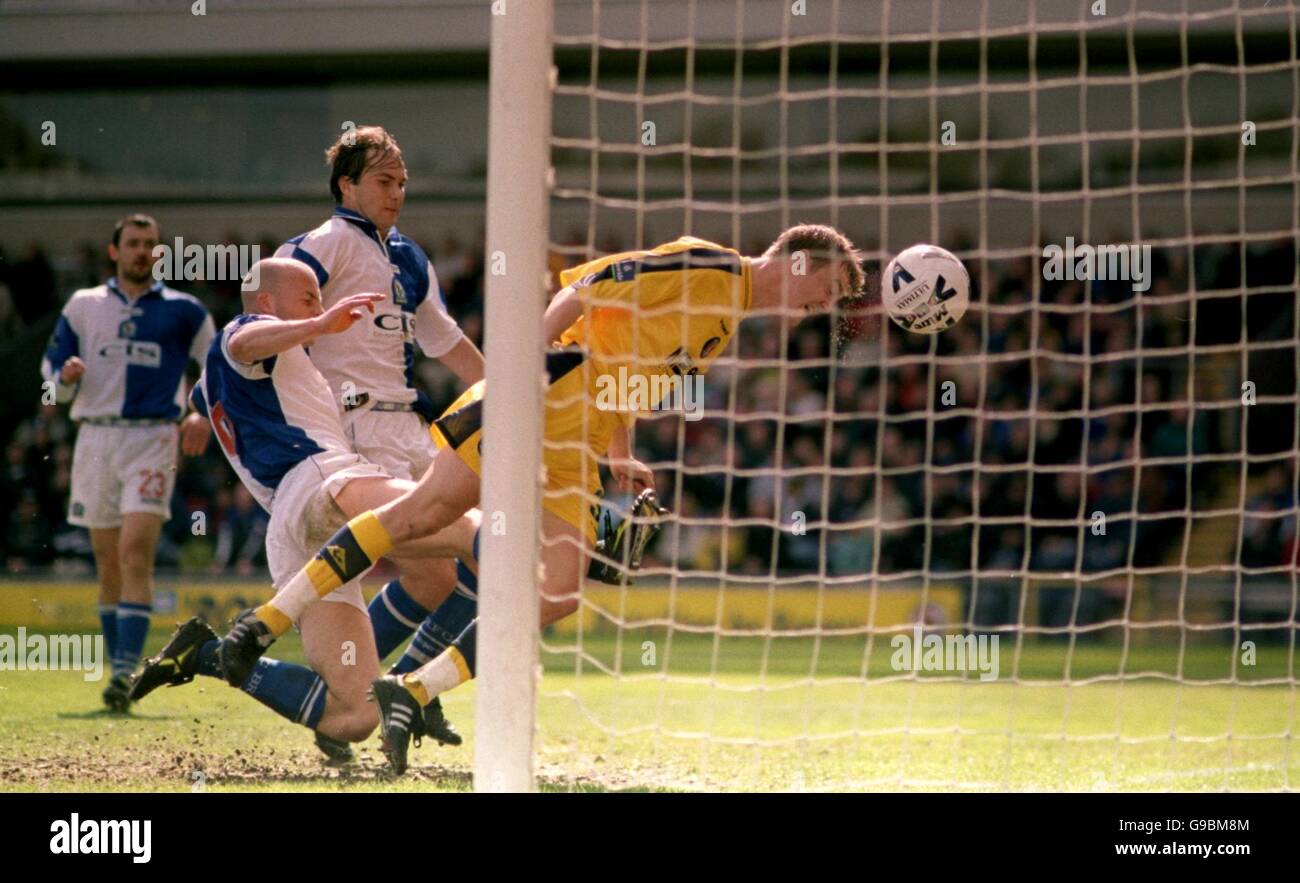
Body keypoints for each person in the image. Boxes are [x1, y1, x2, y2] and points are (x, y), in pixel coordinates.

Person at [219, 224, 864, 773]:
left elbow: (626, 370)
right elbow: (583, 291)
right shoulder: (713, 264)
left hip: (579, 443)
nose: (822, 306)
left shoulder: (727, 322)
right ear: (801, 259)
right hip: (544, 400)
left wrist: (617, 455)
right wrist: (524, 374)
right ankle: (267, 623)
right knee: (419, 515)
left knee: (557, 592)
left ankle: (411, 690)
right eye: (829, 289)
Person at [128, 258, 476, 755]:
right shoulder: (248, 329)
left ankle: (205, 654)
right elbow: (244, 341)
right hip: (324, 483)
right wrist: (317, 324)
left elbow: (206, 394)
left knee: (355, 716)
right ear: (267, 302)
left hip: (292, 532)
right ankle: (423, 686)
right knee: (470, 530)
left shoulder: (240, 375)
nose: (321, 305)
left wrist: (195, 416)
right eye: (310, 296)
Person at [275, 125, 485, 748]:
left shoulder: (410, 257)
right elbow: (267, 314)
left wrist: (509, 394)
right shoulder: (324, 244)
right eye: (383, 181)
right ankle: (398, 691)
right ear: (347, 185)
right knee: (473, 551)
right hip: (350, 425)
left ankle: (391, 692)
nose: (396, 193)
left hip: (411, 427)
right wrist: (217, 398)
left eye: (402, 183)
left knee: (440, 579)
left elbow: (445, 341)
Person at [40, 214, 214, 711]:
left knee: (136, 550)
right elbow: (49, 376)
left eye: (151, 245)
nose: (143, 251)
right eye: (133, 243)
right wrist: (67, 378)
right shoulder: (83, 305)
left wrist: (199, 412)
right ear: (114, 251)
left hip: (153, 438)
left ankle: (122, 674)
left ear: (160, 254)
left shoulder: (185, 311)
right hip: (95, 437)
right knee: (107, 560)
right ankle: (119, 668)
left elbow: (220, 363)